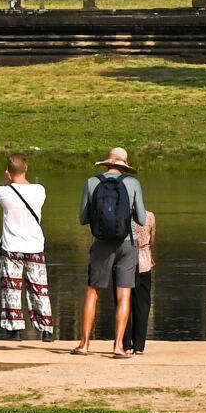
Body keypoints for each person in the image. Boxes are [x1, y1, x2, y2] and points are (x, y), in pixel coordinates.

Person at [75, 146, 147, 357]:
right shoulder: (133, 183)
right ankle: (118, 346)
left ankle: (85, 344)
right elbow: (142, 219)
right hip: (127, 243)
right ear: (124, 166)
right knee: (124, 295)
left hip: (101, 244)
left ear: (107, 163)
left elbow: (82, 219)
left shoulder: (92, 182)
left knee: (93, 292)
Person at [0, 154, 53, 341]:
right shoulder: (39, 190)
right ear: (26, 169)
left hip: (11, 246)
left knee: (11, 287)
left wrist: (6, 180)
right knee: (39, 288)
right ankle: (46, 328)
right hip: (34, 245)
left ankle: (14, 329)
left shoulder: (4, 192)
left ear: (9, 172)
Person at [126, 202, 159, 354]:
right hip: (144, 261)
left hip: (124, 262)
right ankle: (139, 345)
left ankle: (124, 344)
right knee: (142, 304)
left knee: (123, 302)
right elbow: (152, 239)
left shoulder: (122, 216)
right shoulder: (149, 216)